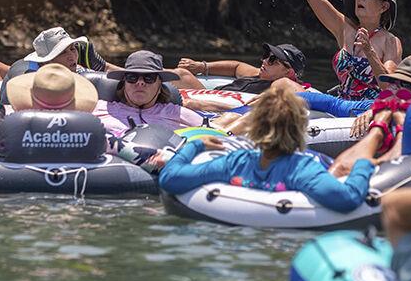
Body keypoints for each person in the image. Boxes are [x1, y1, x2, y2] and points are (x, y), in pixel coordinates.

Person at [159, 86, 376, 212]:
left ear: (254, 127)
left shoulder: (235, 162)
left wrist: (196, 145)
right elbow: (348, 198)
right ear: (300, 128)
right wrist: (363, 164)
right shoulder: (304, 169)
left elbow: (170, 178)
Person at [296, 0, 402, 100]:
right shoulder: (344, 27)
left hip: (370, 107)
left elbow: (388, 86)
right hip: (341, 104)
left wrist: (369, 51)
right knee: (287, 86)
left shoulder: (390, 41)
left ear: (384, 7)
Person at [326, 56, 411, 175]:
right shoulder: (374, 105)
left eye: (405, 84)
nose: (394, 86)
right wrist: (373, 111)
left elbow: (399, 169)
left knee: (342, 169)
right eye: (392, 82)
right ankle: (380, 131)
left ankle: (379, 132)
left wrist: (380, 125)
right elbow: (333, 104)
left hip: (401, 177)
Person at [95, 50, 204, 136]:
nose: (140, 83)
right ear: (124, 83)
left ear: (159, 85)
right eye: (132, 77)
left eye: (149, 78)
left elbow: (213, 130)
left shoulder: (177, 113)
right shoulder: (99, 108)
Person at [174, 43, 308, 94]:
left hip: (218, 109)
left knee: (181, 75)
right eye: (267, 55)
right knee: (183, 75)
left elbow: (302, 95)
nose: (265, 61)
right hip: (210, 96)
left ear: (288, 71)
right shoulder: (260, 73)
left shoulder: (281, 86)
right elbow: (236, 67)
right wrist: (202, 67)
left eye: (273, 60)